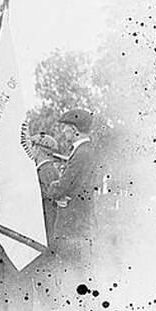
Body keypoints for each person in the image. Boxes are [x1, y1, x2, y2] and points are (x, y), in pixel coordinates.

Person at [47, 109, 99, 263]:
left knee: (75, 271)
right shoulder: (85, 151)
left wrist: (54, 190)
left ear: (75, 130)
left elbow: (63, 186)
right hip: (79, 221)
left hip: (74, 223)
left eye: (66, 127)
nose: (64, 131)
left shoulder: (81, 153)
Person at [28, 131, 64, 246]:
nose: (31, 150)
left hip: (49, 219)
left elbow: (51, 197)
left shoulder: (46, 170)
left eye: (33, 146)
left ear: (39, 149)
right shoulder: (45, 168)